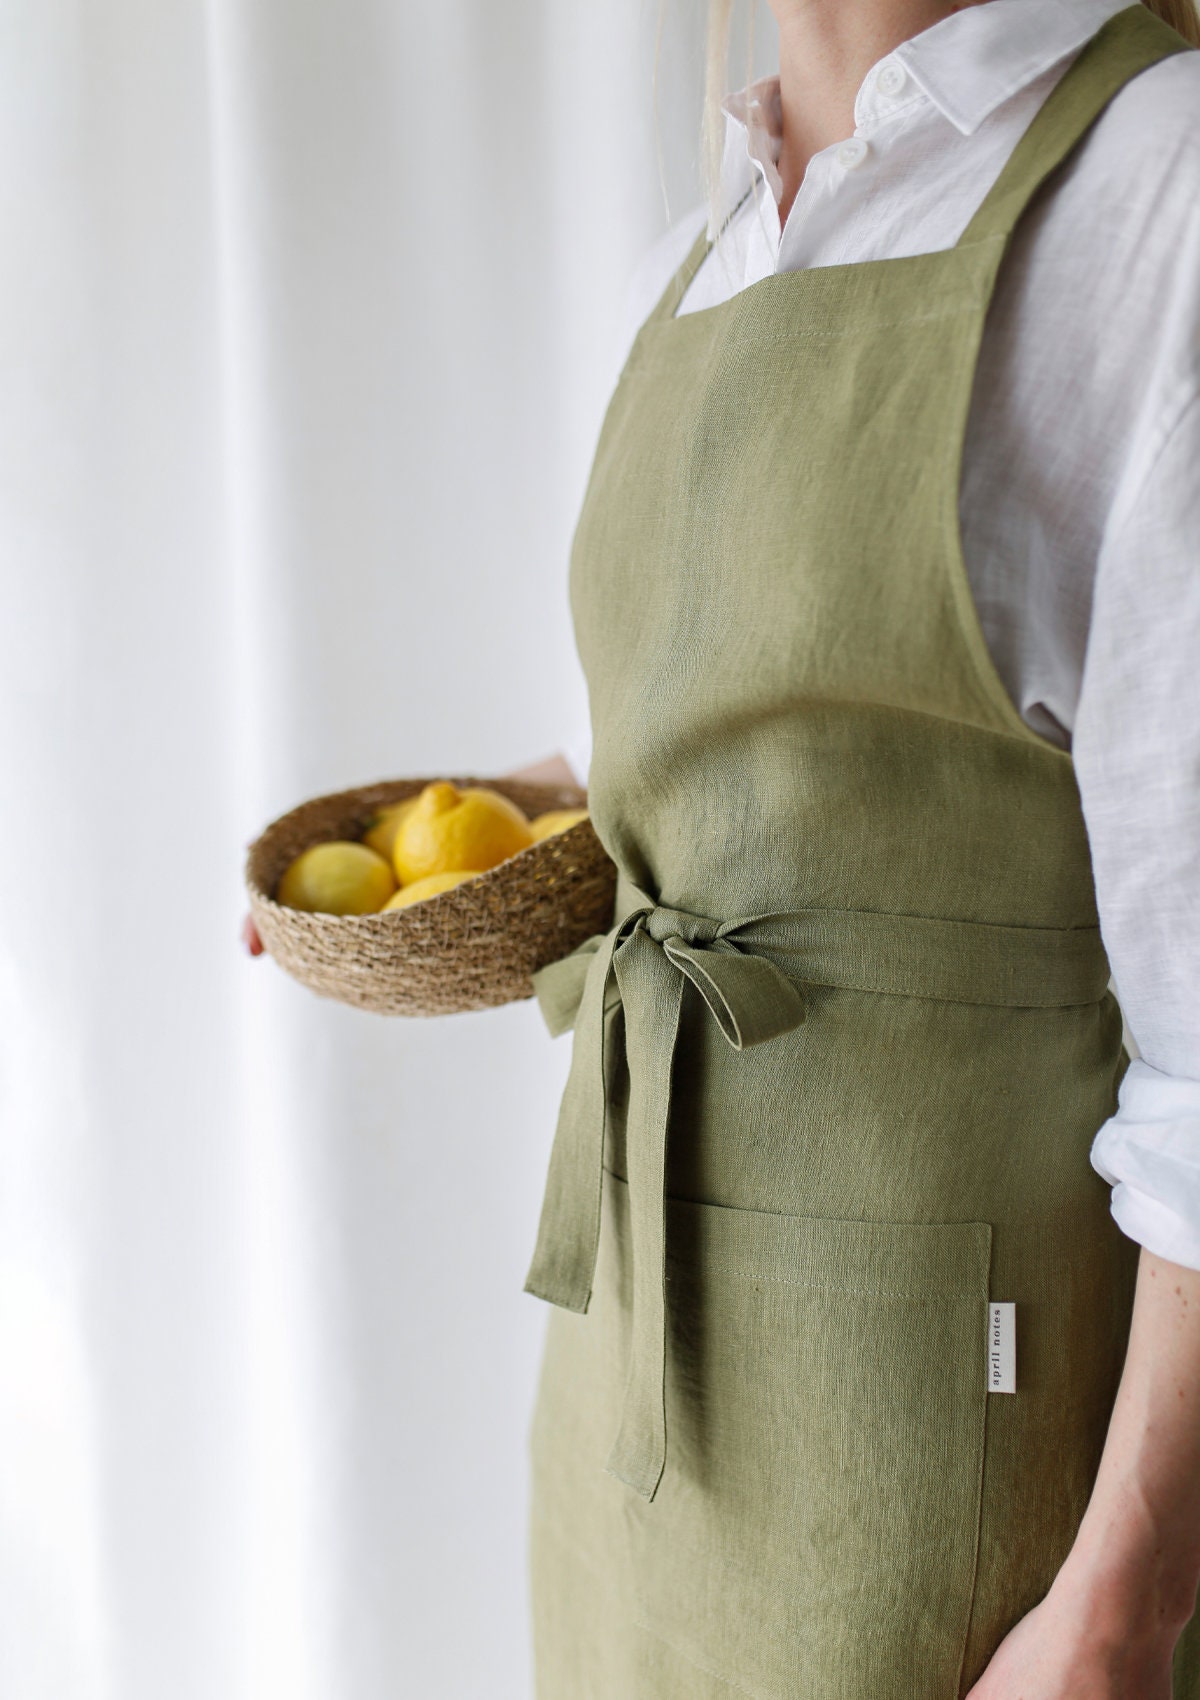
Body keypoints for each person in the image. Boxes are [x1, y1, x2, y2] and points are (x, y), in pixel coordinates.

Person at [245, 2, 1200, 1693]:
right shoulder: (694, 259)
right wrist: (446, 863)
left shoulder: (1157, 182)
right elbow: (673, 772)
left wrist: (1122, 1594)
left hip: (941, 1428)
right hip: (633, 1378)